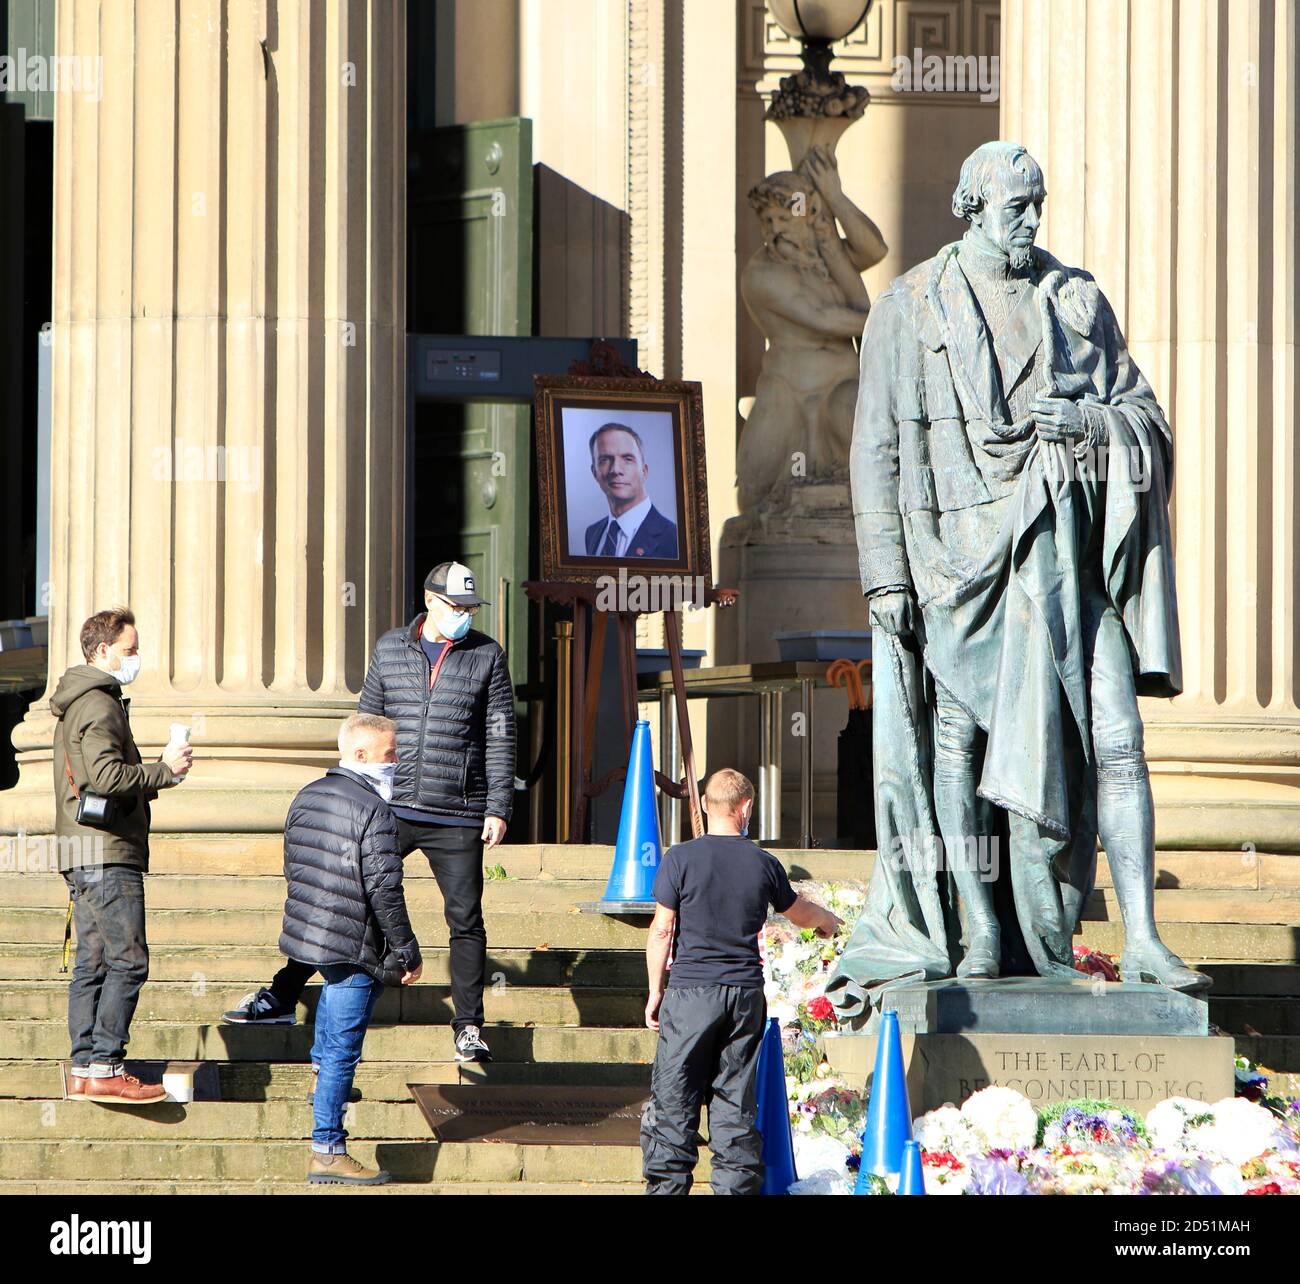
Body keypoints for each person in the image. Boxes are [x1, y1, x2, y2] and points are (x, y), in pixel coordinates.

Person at [834, 140, 1206, 1017]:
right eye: (1017, 207)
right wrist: (884, 574)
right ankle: (978, 930)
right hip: (951, 561)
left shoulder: (1075, 300)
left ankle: (1142, 937)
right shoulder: (909, 305)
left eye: (1040, 204)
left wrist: (1084, 421)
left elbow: (1147, 423)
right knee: (956, 743)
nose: (1034, 221)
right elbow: (873, 449)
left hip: (1066, 564)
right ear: (970, 206)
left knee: (1117, 736)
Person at [225, 560, 515, 1065]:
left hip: (459, 809)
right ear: (429, 600)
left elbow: (499, 732)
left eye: (470, 607)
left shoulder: (487, 655)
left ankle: (468, 1025)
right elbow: (366, 721)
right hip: (390, 802)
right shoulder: (389, 648)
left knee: (465, 920)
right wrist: (357, 792)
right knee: (336, 894)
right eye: (455, 605)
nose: (464, 615)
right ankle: (281, 995)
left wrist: (497, 806)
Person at [640, 768, 841, 1195]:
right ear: (745, 807)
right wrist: (827, 920)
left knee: (674, 1105)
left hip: (691, 993)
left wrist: (656, 990)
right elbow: (799, 913)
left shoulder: (679, 859)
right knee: (735, 1108)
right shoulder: (763, 864)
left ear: (707, 806)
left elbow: (661, 931)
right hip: (744, 997)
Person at [51, 607, 193, 1102]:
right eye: (129, 650)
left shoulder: (80, 701)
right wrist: (163, 770)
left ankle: (86, 1067)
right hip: (107, 853)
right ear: (102, 650)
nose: (136, 658)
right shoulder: (99, 704)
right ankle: (106, 1066)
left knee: (92, 961)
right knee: (129, 960)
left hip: (82, 848)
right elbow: (104, 778)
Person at [281, 713, 421, 1185]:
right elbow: (385, 888)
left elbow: (296, 866)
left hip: (311, 932)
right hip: (354, 939)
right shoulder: (375, 810)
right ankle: (327, 1148)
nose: (396, 762)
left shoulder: (307, 794)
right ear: (360, 755)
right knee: (344, 1047)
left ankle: (324, 1083)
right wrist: (407, 949)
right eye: (390, 755)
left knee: (333, 1032)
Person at [583, 423, 678, 558]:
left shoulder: (674, 539)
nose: (615, 469)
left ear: (644, 471)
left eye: (627, 459)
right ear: (594, 473)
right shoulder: (593, 533)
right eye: (605, 460)